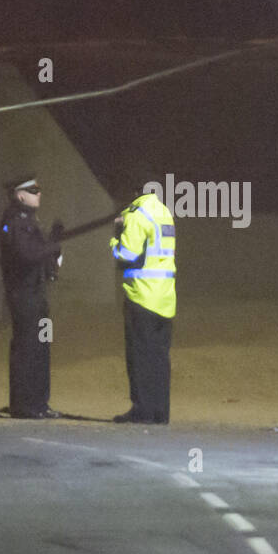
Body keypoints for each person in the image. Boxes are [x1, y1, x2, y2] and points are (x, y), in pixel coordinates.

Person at [109, 173, 176, 424]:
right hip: (165, 298)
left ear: (136, 191)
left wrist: (115, 237)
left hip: (142, 295)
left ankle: (142, 410)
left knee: (140, 357)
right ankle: (160, 411)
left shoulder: (137, 214)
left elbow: (126, 253)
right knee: (159, 358)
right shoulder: (164, 212)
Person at [0, 176, 63, 419]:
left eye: (39, 189)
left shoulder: (29, 221)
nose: (39, 194)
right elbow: (26, 254)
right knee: (27, 347)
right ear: (19, 195)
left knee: (40, 347)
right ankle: (24, 405)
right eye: (33, 190)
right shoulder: (15, 220)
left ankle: (39, 403)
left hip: (36, 293)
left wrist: (53, 245)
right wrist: (52, 246)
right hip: (23, 294)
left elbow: (39, 255)